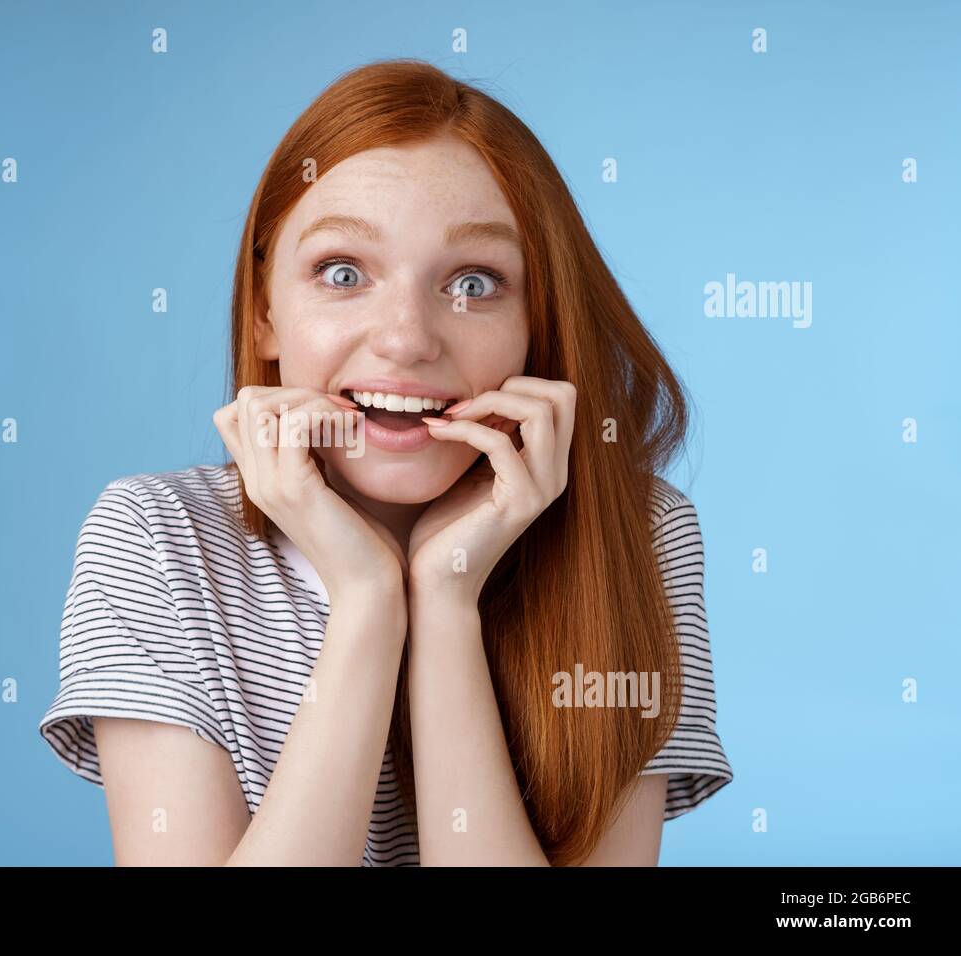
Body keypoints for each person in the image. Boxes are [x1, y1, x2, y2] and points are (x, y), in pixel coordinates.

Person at [40, 58, 732, 866]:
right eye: (342, 273)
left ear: (535, 325)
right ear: (265, 313)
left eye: (474, 282)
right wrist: (368, 601)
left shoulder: (636, 535)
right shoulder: (157, 540)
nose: (407, 338)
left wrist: (445, 603)